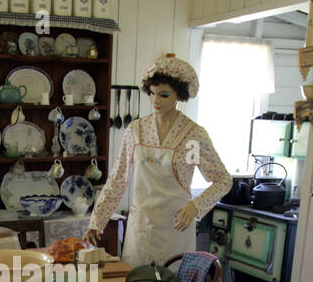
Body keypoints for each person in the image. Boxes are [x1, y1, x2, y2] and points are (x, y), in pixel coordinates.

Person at [85, 54, 231, 265]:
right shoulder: (136, 130)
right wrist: (97, 221)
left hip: (176, 230)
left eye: (163, 95)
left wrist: (196, 206)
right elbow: (118, 179)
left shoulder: (193, 136)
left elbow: (223, 180)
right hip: (140, 228)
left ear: (179, 96)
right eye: (152, 94)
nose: (156, 100)